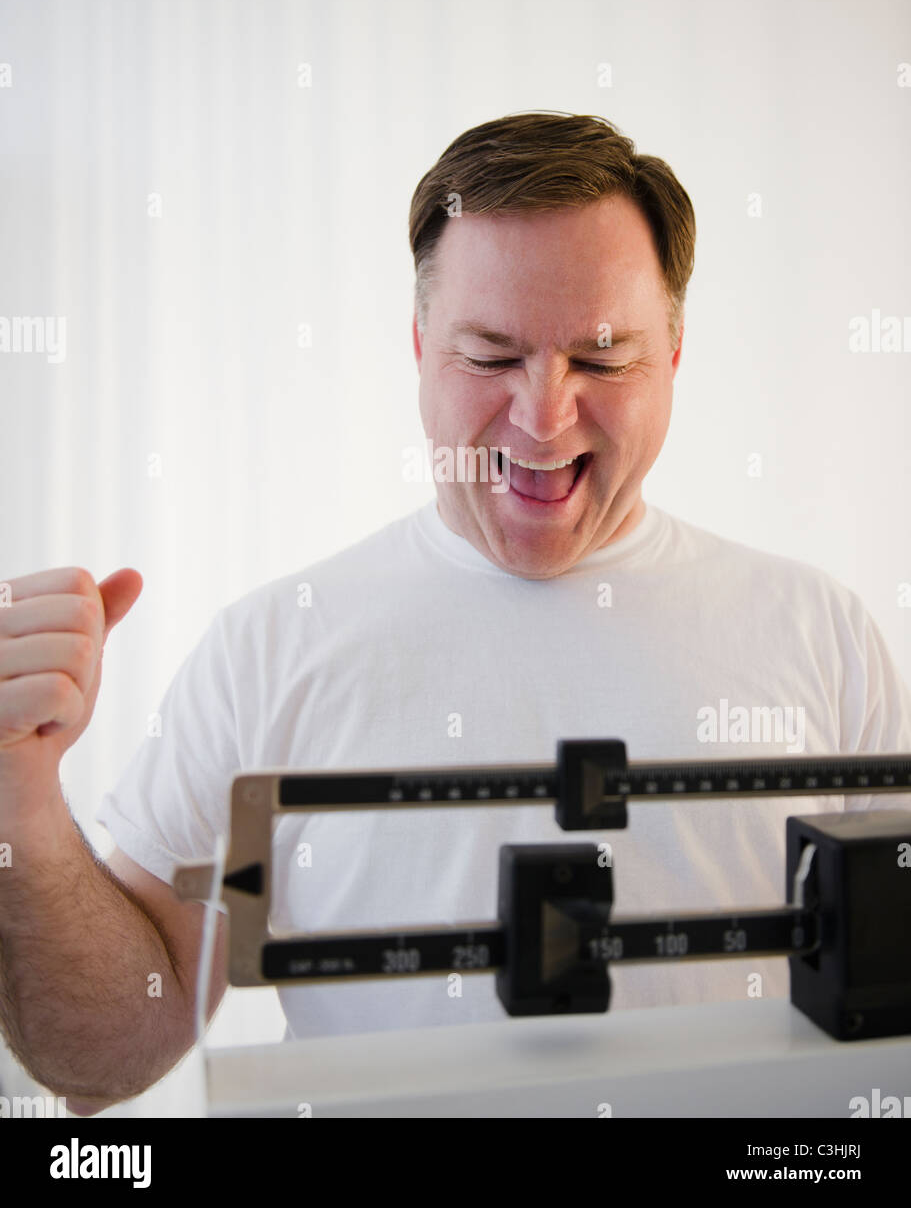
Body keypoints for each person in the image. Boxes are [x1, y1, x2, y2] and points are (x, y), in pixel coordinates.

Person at [1, 112, 909, 1117]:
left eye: (602, 359)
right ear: (422, 345)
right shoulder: (268, 650)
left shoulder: (819, 638)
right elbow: (102, 1060)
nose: (541, 417)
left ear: (675, 356)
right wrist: (23, 806)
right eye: (490, 356)